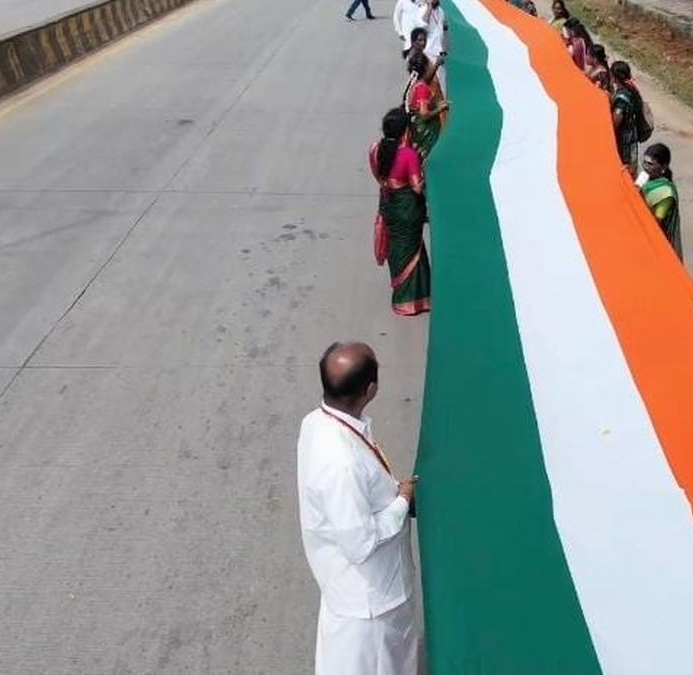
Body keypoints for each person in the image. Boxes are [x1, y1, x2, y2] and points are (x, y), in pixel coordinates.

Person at [297, 341, 420, 674]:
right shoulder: (343, 464)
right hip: (371, 604)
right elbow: (360, 543)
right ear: (371, 389)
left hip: (349, 592)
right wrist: (402, 501)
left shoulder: (316, 422)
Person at [370, 109, 431, 316]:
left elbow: (379, 177)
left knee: (398, 247)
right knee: (413, 248)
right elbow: (417, 186)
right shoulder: (408, 155)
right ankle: (415, 299)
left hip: (389, 205)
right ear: (406, 132)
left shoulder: (376, 150)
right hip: (408, 209)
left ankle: (403, 298)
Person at [640, 143, 682, 259]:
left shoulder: (666, 193)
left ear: (663, 167)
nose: (645, 167)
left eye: (650, 164)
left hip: (654, 243)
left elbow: (655, 223)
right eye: (644, 162)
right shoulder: (646, 180)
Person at [406, 53, 449, 161]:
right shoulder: (422, 89)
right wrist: (440, 108)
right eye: (429, 64)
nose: (431, 65)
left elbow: (426, 78)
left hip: (416, 128)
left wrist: (437, 64)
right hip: (425, 132)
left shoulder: (415, 81)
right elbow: (424, 114)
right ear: (425, 67)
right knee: (423, 159)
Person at [610, 61, 642, 172]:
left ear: (614, 77)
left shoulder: (621, 97)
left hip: (624, 141)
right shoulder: (631, 90)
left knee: (625, 169)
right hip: (631, 137)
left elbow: (616, 120)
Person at [416, 0, 447, 93]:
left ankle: (442, 104)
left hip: (439, 52)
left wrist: (445, 47)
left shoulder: (440, 11)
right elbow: (422, 26)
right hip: (428, 53)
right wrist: (429, 7)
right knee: (428, 83)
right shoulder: (422, 10)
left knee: (442, 85)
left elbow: (444, 31)